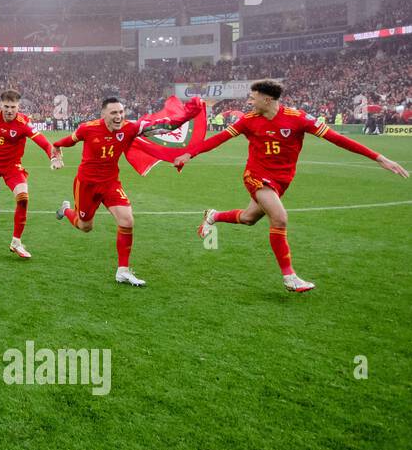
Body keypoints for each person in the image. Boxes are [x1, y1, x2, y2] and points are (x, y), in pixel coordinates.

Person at [175, 79, 408, 292]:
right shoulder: (248, 120)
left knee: (249, 218)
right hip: (256, 176)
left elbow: (338, 139)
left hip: (282, 180)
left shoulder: (298, 118)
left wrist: (379, 158)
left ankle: (214, 216)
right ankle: (290, 277)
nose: (249, 100)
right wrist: (189, 154)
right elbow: (218, 139)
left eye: (253, 97)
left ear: (267, 99)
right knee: (280, 218)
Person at [51, 97, 164, 287]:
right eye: (114, 113)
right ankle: (66, 210)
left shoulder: (129, 127)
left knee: (127, 220)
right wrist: (56, 151)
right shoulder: (87, 128)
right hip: (87, 184)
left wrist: (186, 119)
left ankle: (123, 271)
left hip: (111, 183)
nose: (119, 116)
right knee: (85, 226)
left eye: (121, 112)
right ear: (103, 114)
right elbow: (64, 141)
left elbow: (157, 127)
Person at [0, 90, 59, 258]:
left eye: (13, 107)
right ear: (1, 105)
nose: (10, 110)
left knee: (23, 197)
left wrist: (52, 156)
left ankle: (16, 242)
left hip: (12, 166)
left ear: (18, 106)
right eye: (6, 107)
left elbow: (42, 141)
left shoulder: (23, 123)